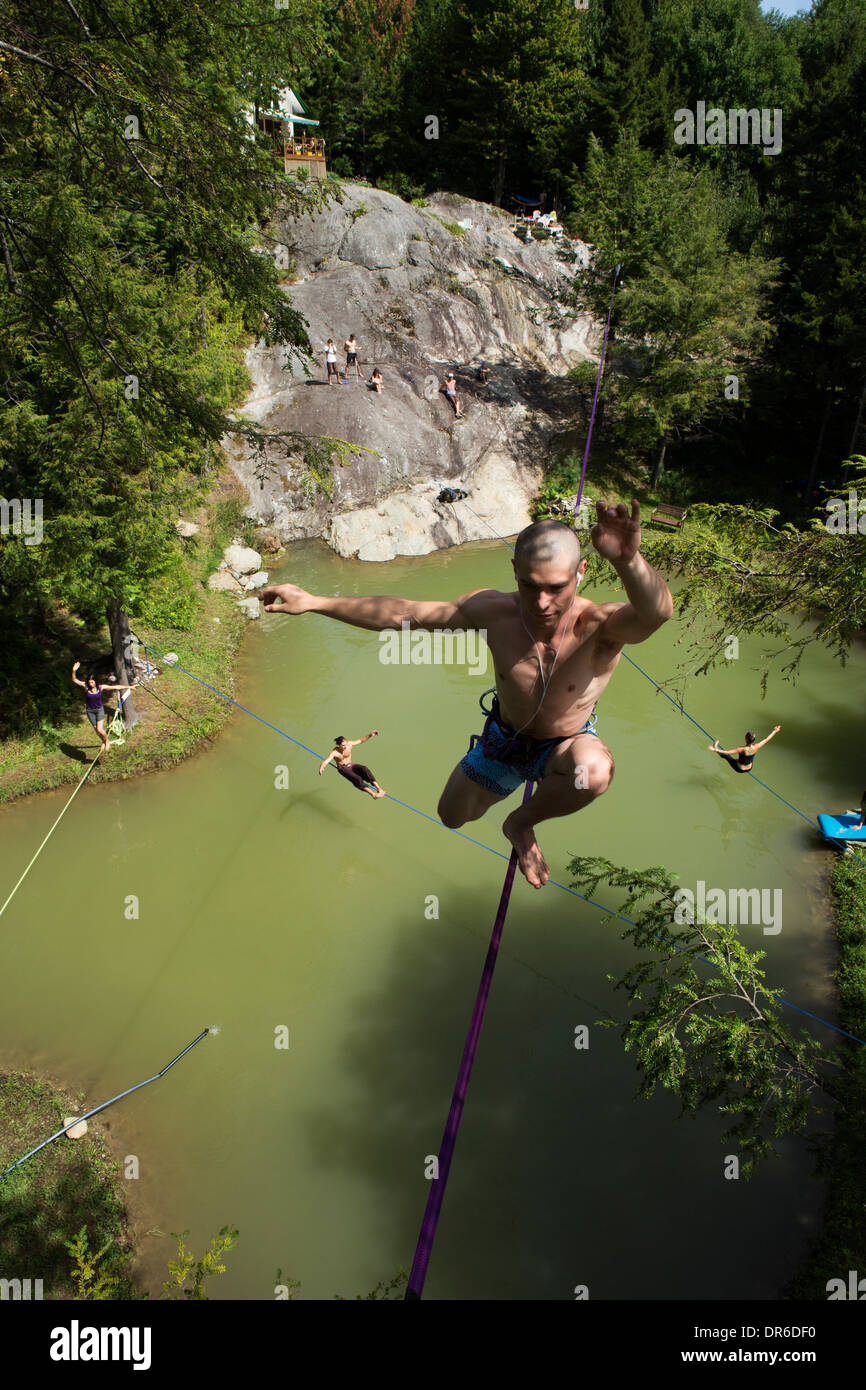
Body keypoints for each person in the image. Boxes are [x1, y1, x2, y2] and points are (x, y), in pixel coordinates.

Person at [262, 503, 674, 889]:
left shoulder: (599, 627)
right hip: (504, 743)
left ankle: (521, 822)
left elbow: (655, 614)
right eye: (529, 586)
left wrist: (627, 560)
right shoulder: (493, 612)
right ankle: (500, 785)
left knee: (593, 773)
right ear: (514, 571)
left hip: (565, 746)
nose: (542, 602)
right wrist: (314, 601)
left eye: (556, 587)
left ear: (581, 571)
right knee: (451, 817)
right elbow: (402, 614)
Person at [71, 661, 132, 754]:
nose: (91, 684)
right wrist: (73, 671)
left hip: (99, 710)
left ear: (95, 681)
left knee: (100, 729)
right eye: (89, 682)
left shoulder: (101, 687)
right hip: (90, 711)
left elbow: (115, 687)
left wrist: (129, 687)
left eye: (92, 682)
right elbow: (75, 680)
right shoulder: (86, 687)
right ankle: (103, 741)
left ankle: (107, 742)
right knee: (97, 731)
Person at [319, 732, 385, 798]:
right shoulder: (334, 752)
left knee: (364, 769)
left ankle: (379, 789)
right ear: (338, 745)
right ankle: (373, 794)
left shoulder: (349, 744)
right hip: (342, 768)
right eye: (343, 745)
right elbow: (326, 761)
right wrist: (322, 767)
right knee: (358, 779)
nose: (345, 747)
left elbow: (361, 740)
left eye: (346, 744)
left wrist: (370, 735)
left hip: (351, 764)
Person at [709, 727, 781, 774]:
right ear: (753, 740)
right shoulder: (757, 746)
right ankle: (739, 761)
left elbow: (727, 752)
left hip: (739, 769)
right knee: (744, 758)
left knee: (726, 756)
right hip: (749, 768)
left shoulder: (742, 749)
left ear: (745, 739)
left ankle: (715, 745)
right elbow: (767, 739)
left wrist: (715, 749)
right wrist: (775, 731)